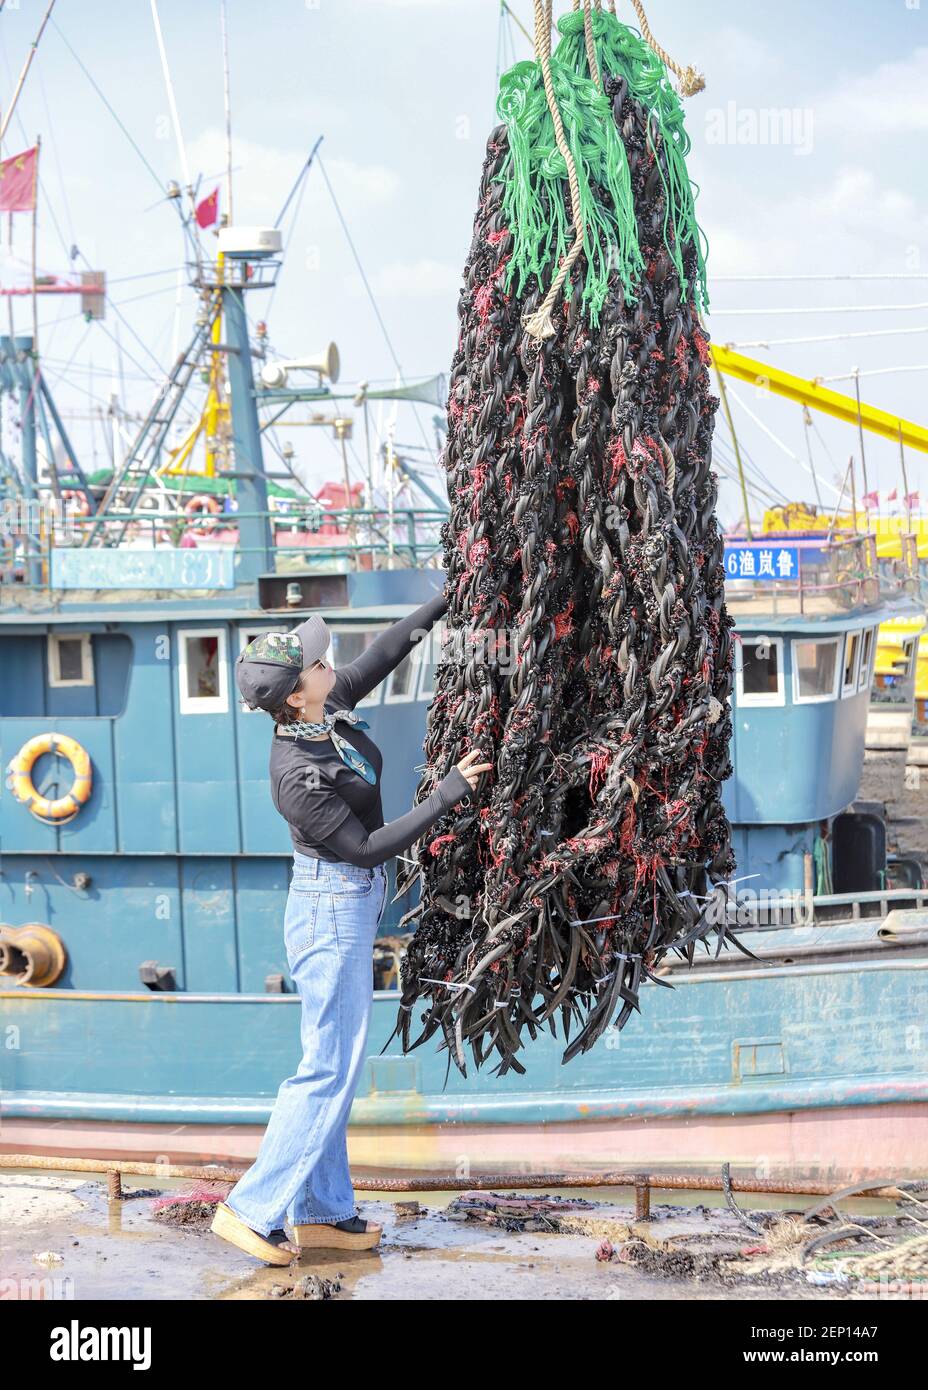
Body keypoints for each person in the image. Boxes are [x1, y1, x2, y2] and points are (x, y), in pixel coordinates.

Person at [210, 589, 491, 1264]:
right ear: (294, 696)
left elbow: (382, 653)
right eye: (314, 661)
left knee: (336, 1061)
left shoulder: (324, 709)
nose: (326, 658)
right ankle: (251, 1209)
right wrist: (447, 795)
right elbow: (364, 848)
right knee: (326, 1068)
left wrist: (445, 599)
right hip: (330, 905)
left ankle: (324, 1212)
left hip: (349, 902)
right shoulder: (295, 774)